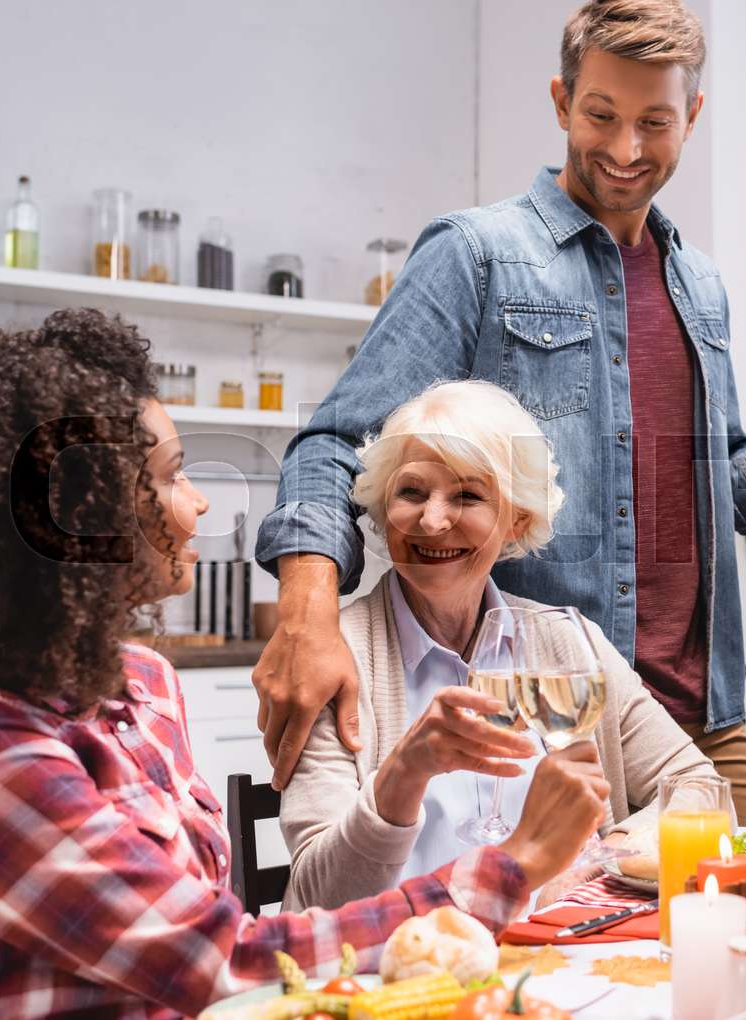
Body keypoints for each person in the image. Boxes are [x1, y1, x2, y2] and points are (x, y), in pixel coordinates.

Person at [0, 310, 608, 1018]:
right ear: (85, 514)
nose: (199, 505)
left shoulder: (141, 683)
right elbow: (225, 959)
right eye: (173, 476)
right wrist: (517, 864)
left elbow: (221, 927)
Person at [252, 0, 746, 826]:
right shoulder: (477, 254)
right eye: (601, 115)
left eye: (654, 123)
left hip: (700, 716)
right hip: (537, 712)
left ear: (692, 116)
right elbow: (334, 443)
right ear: (561, 102)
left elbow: (725, 475)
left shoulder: (699, 284)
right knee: (564, 946)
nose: (627, 148)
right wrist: (306, 612)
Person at [279, 380, 722, 911]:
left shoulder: (566, 643)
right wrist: (404, 774)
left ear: (517, 518)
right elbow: (315, 898)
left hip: (560, 957)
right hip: (399, 967)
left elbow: (696, 786)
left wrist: (604, 857)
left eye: (467, 495)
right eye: (411, 492)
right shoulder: (335, 657)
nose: (432, 520)